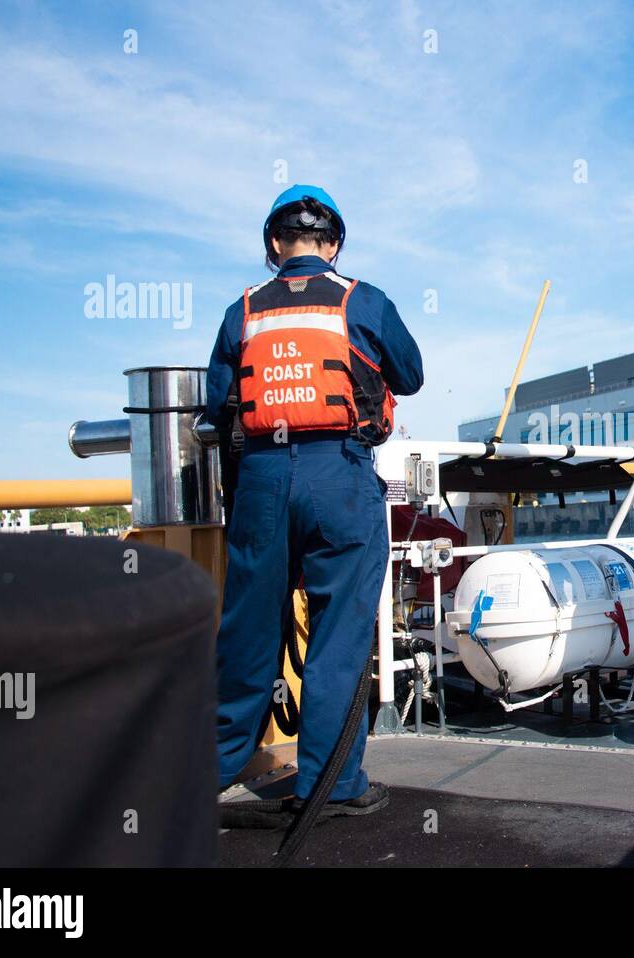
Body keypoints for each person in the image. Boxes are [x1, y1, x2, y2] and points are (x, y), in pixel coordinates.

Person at [206, 185, 423, 812]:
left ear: (275, 245)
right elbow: (409, 375)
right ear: (333, 245)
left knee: (246, 631)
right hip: (341, 478)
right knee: (339, 634)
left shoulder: (241, 311)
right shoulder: (364, 301)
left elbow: (219, 403)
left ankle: (210, 772)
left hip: (262, 482)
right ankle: (332, 783)